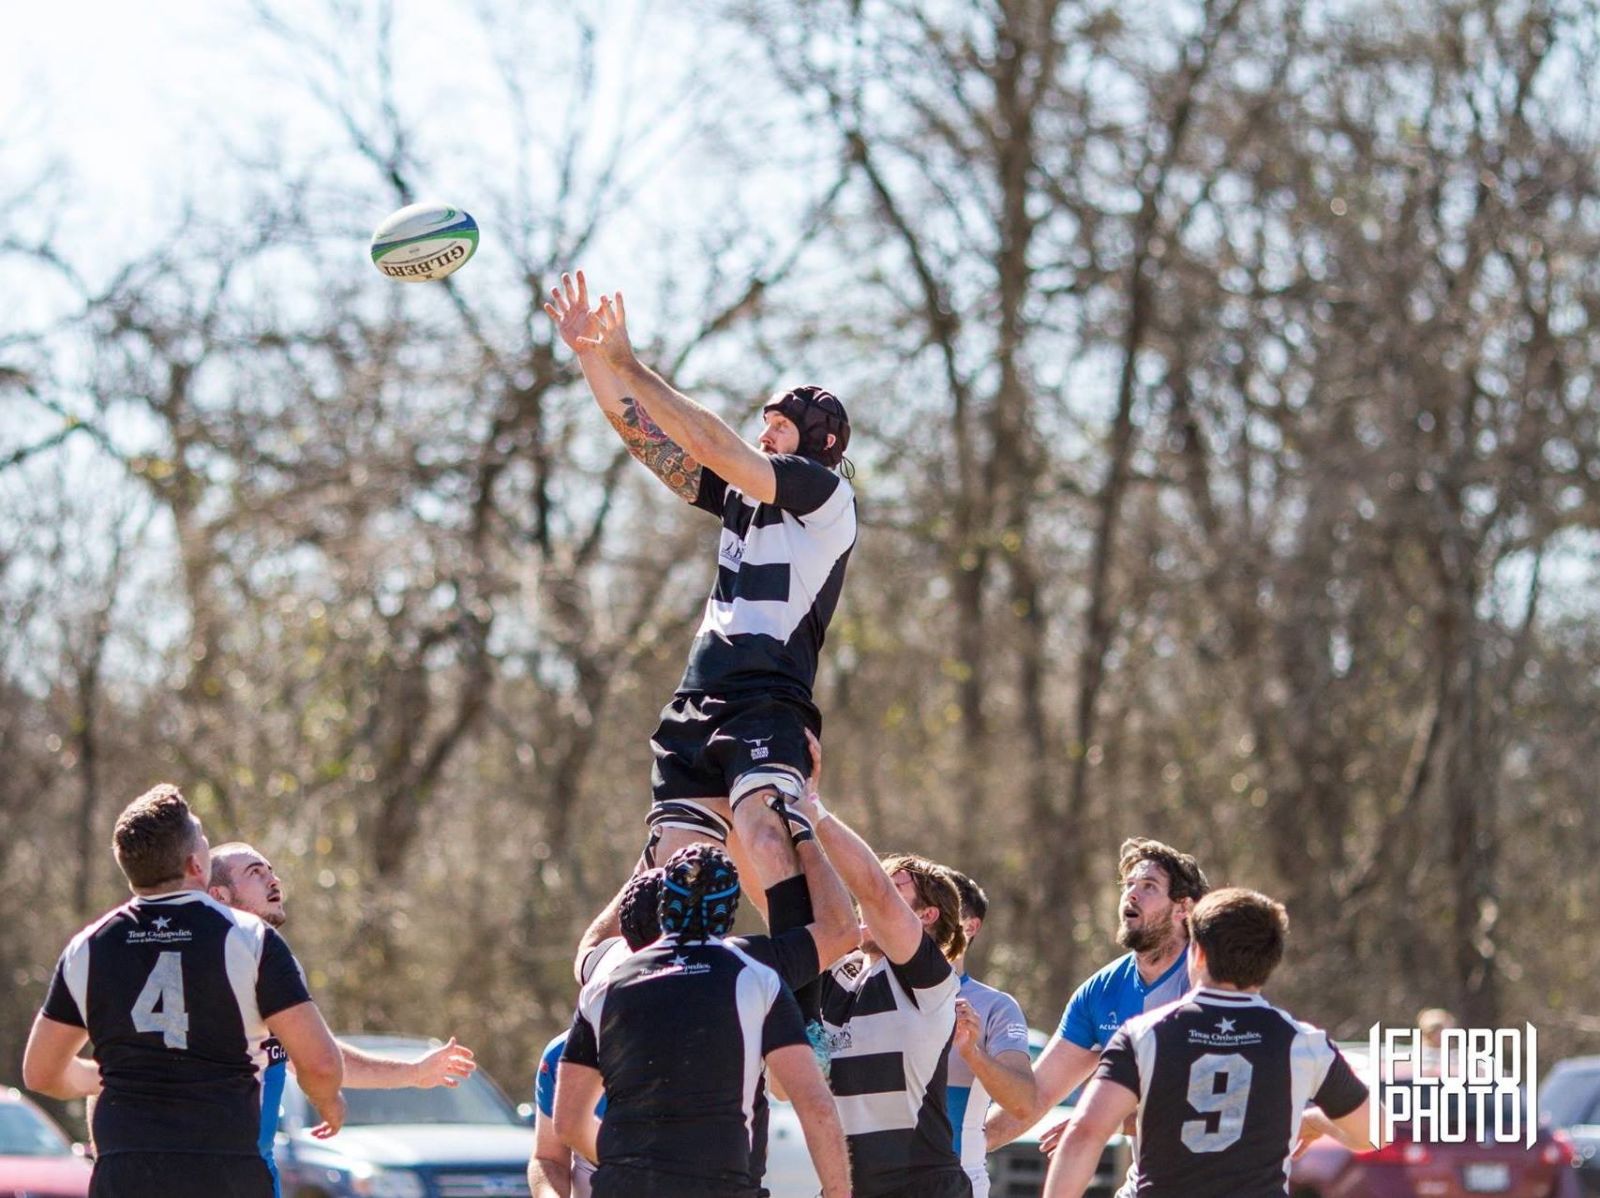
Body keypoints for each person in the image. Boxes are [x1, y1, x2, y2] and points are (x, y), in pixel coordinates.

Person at [544, 271, 857, 895]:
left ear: (817, 445)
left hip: (767, 697)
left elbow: (715, 444)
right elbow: (646, 438)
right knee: (670, 878)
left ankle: (803, 985)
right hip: (698, 698)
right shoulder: (741, 495)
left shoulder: (825, 494)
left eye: (780, 426)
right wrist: (593, 360)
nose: (764, 432)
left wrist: (628, 362)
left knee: (767, 840)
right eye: (763, 421)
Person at [21, 785, 345, 1198]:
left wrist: (110, 1077)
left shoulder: (88, 946)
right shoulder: (249, 937)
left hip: (126, 1176)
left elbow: (41, 1072)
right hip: (226, 1175)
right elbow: (319, 1063)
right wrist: (329, 1100)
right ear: (196, 864)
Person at [555, 844, 852, 1198]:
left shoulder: (604, 987)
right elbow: (814, 1103)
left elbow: (569, 1123)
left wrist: (632, 1164)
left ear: (665, 905)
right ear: (728, 913)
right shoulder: (757, 979)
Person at [1041, 887, 1372, 1198]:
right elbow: (1375, 1131)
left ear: (1196, 953)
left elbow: (1086, 1133)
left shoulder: (1143, 1034)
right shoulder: (1303, 1043)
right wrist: (1314, 1122)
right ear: (1272, 961)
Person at [205, 842, 477, 1195]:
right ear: (219, 895)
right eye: (255, 873)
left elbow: (322, 1055)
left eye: (271, 871)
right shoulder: (222, 959)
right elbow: (319, 1065)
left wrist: (413, 1072)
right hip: (209, 1171)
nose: (273, 880)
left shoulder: (268, 954)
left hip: (251, 1170)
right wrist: (327, 1099)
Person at [793, 782, 971, 1198]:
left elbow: (872, 888)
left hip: (923, 1188)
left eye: (899, 887)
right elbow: (785, 908)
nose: (867, 904)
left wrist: (813, 811)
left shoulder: (928, 978)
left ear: (926, 916)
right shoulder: (843, 972)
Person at [985, 838, 1210, 1155]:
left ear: (1182, 908)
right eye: (1129, 884)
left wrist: (1101, 1122)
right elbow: (1034, 1097)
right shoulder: (1099, 993)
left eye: (1149, 886)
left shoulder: (1210, 981)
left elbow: (1196, 1101)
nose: (1131, 894)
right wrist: (966, 1149)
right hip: (1149, 1181)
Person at [940, 868, 1035, 1198]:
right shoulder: (871, 991)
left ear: (970, 926)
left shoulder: (995, 1007)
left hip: (957, 1182)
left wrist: (972, 1054)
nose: (925, 918)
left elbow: (1024, 1102)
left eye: (942, 908)